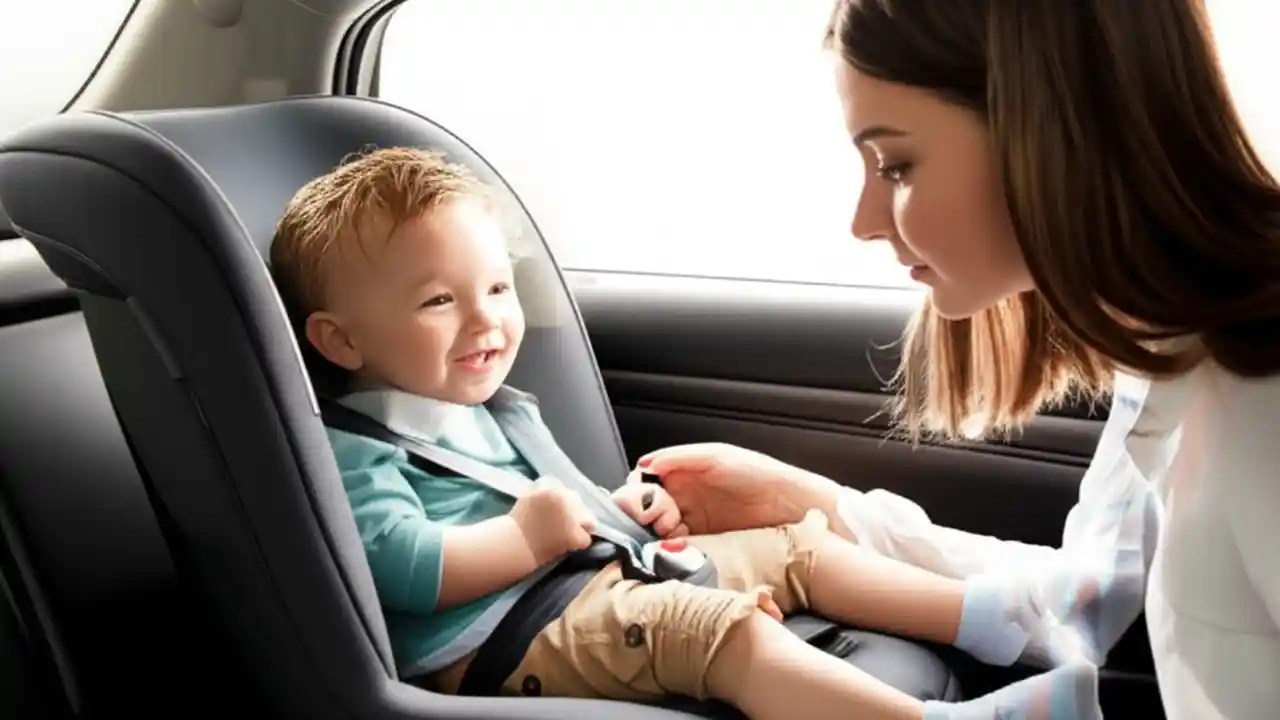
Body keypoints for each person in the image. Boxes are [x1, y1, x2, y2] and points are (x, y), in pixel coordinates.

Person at [268, 146, 1101, 720]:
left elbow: (570, 514)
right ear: (340, 340)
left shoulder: (495, 413)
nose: (487, 318)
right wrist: (525, 538)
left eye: (495, 286)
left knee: (791, 543)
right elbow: (406, 567)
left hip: (584, 588)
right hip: (502, 647)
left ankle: (993, 616)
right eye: (438, 301)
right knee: (720, 631)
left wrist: (627, 514)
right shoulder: (358, 450)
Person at [639, 2, 1280, 719]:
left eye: (896, 166)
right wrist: (814, 511)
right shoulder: (1173, 356)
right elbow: (1087, 599)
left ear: (1040, 127)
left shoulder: (1259, 410)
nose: (864, 220)